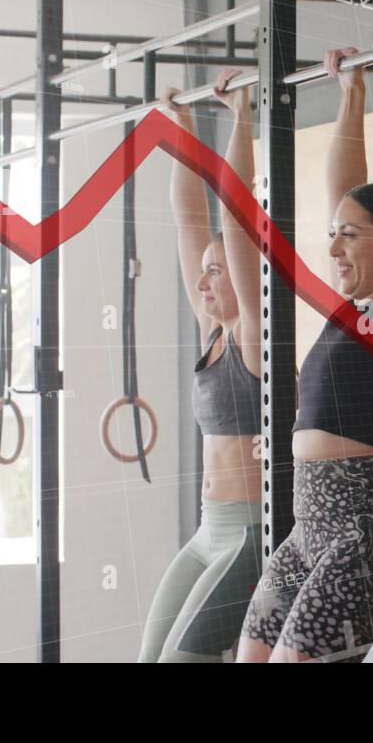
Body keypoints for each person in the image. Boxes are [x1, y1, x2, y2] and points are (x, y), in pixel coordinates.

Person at [237, 26, 373, 663]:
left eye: (350, 237)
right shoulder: (351, 311)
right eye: (334, 236)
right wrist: (351, 94)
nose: (333, 249)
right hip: (309, 530)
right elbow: (346, 191)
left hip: (370, 535)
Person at [138, 68, 263, 662]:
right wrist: (182, 129)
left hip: (249, 532)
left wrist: (242, 117)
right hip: (207, 530)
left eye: (220, 269)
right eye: (205, 270)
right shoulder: (212, 331)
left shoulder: (253, 338)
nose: (205, 278)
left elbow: (236, 220)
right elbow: (190, 219)